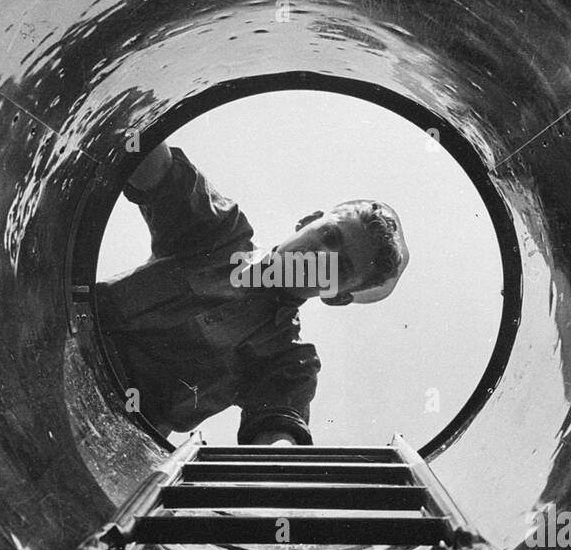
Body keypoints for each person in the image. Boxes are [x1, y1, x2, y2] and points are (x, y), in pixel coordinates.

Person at [95, 141, 409, 446]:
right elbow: (160, 172)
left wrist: (282, 463)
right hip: (64, 332)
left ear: (338, 296)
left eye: (340, 269)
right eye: (329, 235)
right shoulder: (219, 233)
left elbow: (278, 431)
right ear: (308, 221)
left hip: (114, 434)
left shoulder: (289, 361)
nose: (320, 258)